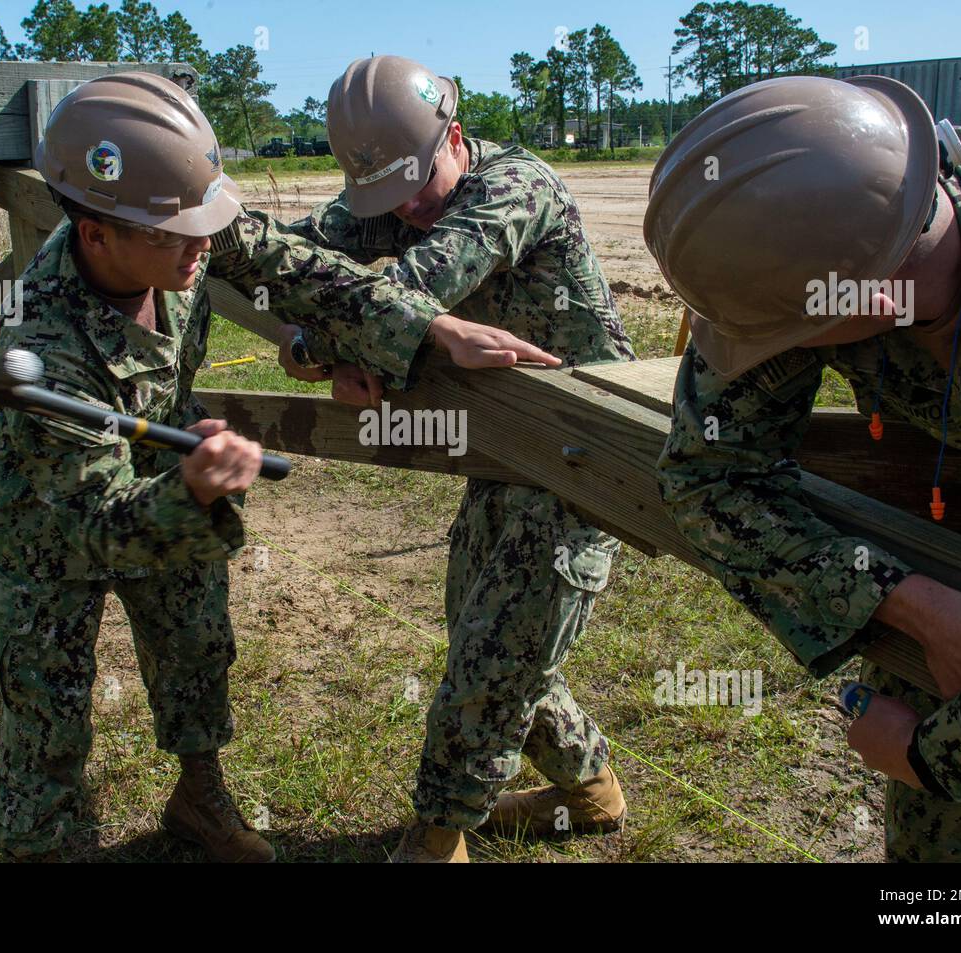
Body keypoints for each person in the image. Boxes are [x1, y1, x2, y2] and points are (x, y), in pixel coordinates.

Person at [0, 71, 556, 862]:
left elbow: (295, 267)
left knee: (194, 638)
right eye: (178, 237)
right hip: (55, 513)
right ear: (97, 234)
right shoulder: (42, 349)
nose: (203, 246)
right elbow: (97, 525)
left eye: (205, 224)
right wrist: (190, 491)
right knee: (43, 694)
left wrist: (429, 328)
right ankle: (46, 847)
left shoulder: (176, 219)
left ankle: (199, 796)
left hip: (163, 454)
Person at [650, 74, 961, 861]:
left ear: (866, 305)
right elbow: (709, 474)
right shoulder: (800, 246)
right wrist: (922, 608)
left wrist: (933, 754)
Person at [278, 55, 637, 862]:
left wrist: (317, 340)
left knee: (492, 655)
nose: (405, 209)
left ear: (457, 138)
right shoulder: (398, 193)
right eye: (386, 198)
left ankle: (438, 837)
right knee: (489, 636)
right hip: (506, 450)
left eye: (415, 186)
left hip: (591, 454)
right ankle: (592, 790)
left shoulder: (512, 190)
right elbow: (291, 258)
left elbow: (414, 286)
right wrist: (308, 336)